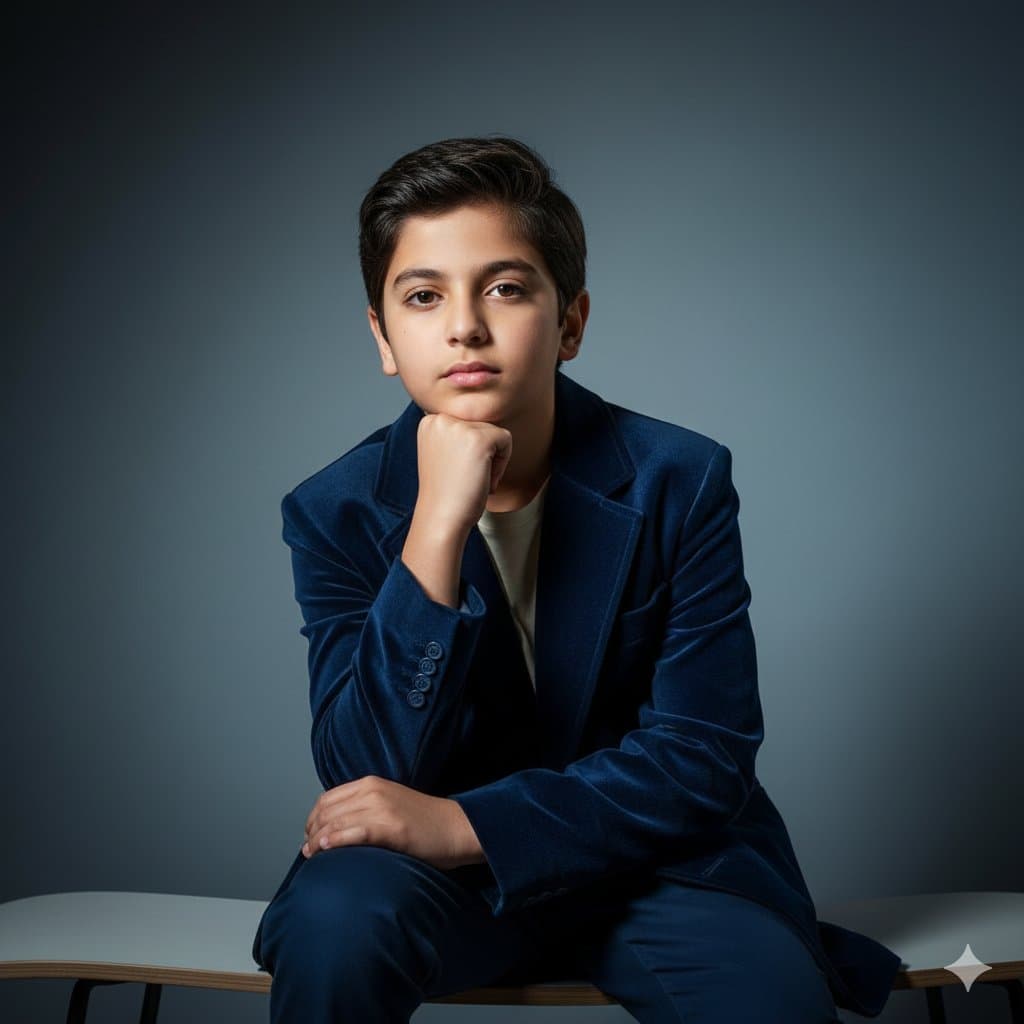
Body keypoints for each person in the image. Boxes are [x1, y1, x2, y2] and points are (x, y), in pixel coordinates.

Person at [251, 135, 901, 1022]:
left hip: (659, 867)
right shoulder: (335, 509)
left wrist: (467, 824)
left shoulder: (678, 477)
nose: (464, 326)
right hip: (439, 886)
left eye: (505, 288)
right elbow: (365, 771)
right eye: (424, 296)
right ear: (384, 337)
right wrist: (435, 529)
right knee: (333, 922)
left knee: (771, 1000)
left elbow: (703, 754)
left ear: (571, 323)